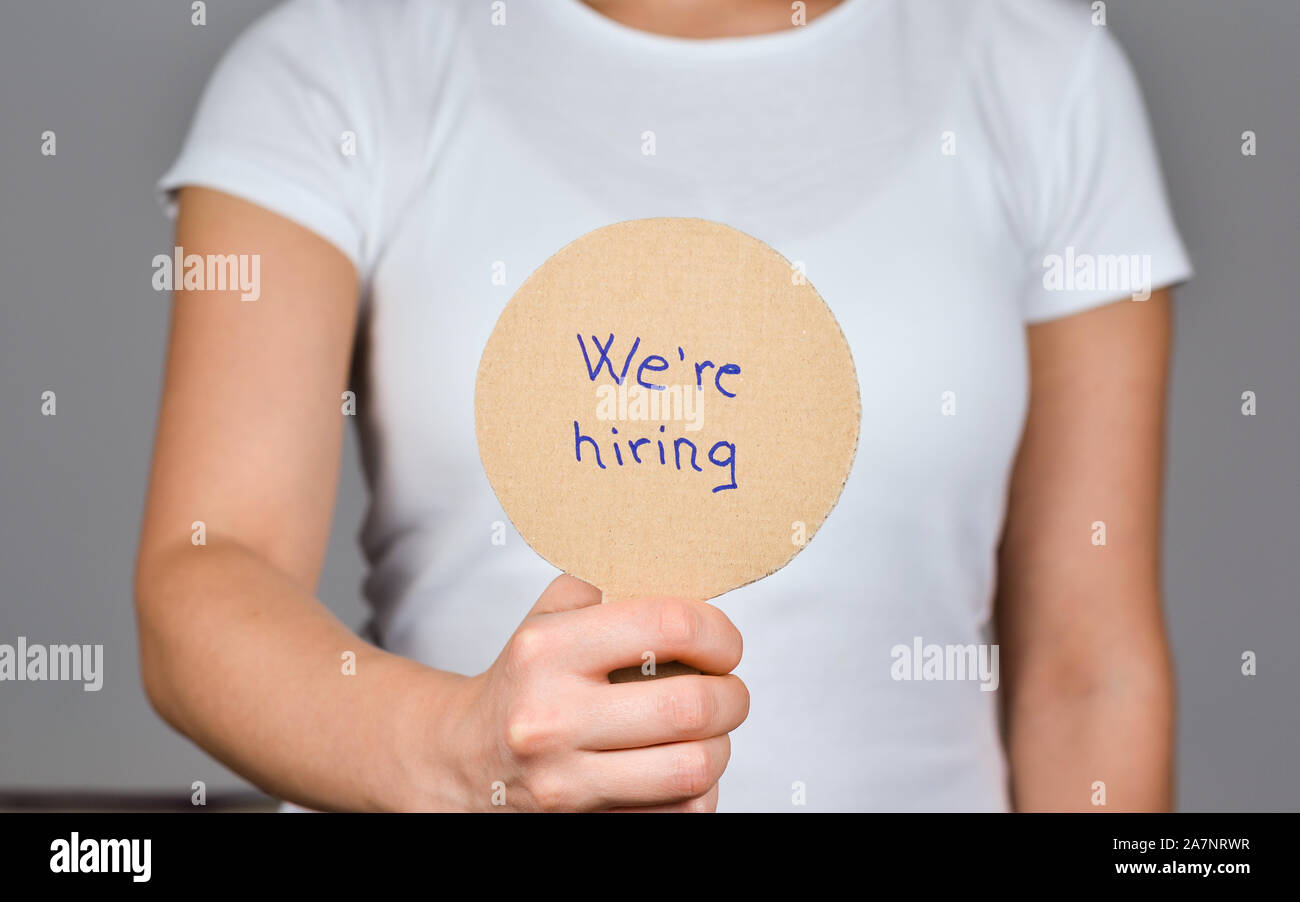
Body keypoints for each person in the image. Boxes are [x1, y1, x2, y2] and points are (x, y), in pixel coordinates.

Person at [135, 0, 1192, 812]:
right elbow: (208, 565)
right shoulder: (337, 62)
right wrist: (463, 749)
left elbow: (1086, 662)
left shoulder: (1045, 79)